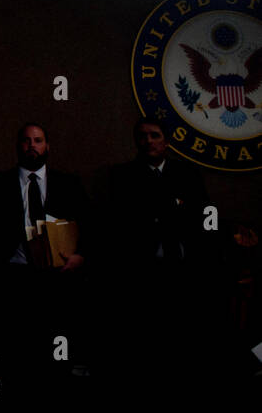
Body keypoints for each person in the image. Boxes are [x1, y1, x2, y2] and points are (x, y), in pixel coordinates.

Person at [93, 118, 227, 388]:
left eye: (155, 135)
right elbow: (124, 221)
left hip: (182, 269)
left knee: (182, 340)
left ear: (166, 141)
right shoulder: (123, 175)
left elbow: (201, 217)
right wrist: (172, 206)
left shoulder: (187, 174)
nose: (148, 141)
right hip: (141, 271)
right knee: (145, 343)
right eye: (142, 136)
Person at [0, 123, 89, 392]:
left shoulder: (69, 183)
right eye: (26, 141)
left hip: (56, 279)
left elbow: (90, 226)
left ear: (47, 146)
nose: (32, 146)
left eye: (38, 140)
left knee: (54, 350)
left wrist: (81, 256)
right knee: (16, 352)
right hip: (13, 279)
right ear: (18, 146)